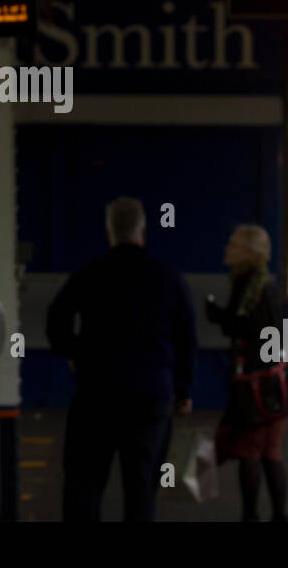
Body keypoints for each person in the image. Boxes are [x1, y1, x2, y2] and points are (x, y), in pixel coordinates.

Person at [46, 196, 198, 521]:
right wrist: (183, 391)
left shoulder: (90, 274)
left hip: (97, 392)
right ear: (143, 233)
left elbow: (55, 322)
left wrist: (75, 353)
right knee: (141, 489)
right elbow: (187, 338)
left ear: (109, 233)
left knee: (84, 485)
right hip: (151, 395)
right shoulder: (167, 277)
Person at [207, 223, 288, 522]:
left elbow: (243, 328)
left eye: (233, 245)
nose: (227, 249)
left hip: (254, 385)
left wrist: (217, 315)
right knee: (271, 451)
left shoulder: (247, 286)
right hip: (276, 382)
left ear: (247, 253)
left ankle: (250, 515)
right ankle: (280, 515)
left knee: (250, 453)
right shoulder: (267, 286)